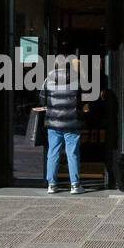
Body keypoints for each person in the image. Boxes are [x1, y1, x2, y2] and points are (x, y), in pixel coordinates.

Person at [37, 54, 87, 195]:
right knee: (72, 153)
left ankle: (52, 185)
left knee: (53, 152)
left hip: (53, 123)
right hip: (72, 122)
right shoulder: (77, 79)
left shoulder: (48, 79)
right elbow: (82, 100)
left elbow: (42, 99)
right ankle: (75, 185)